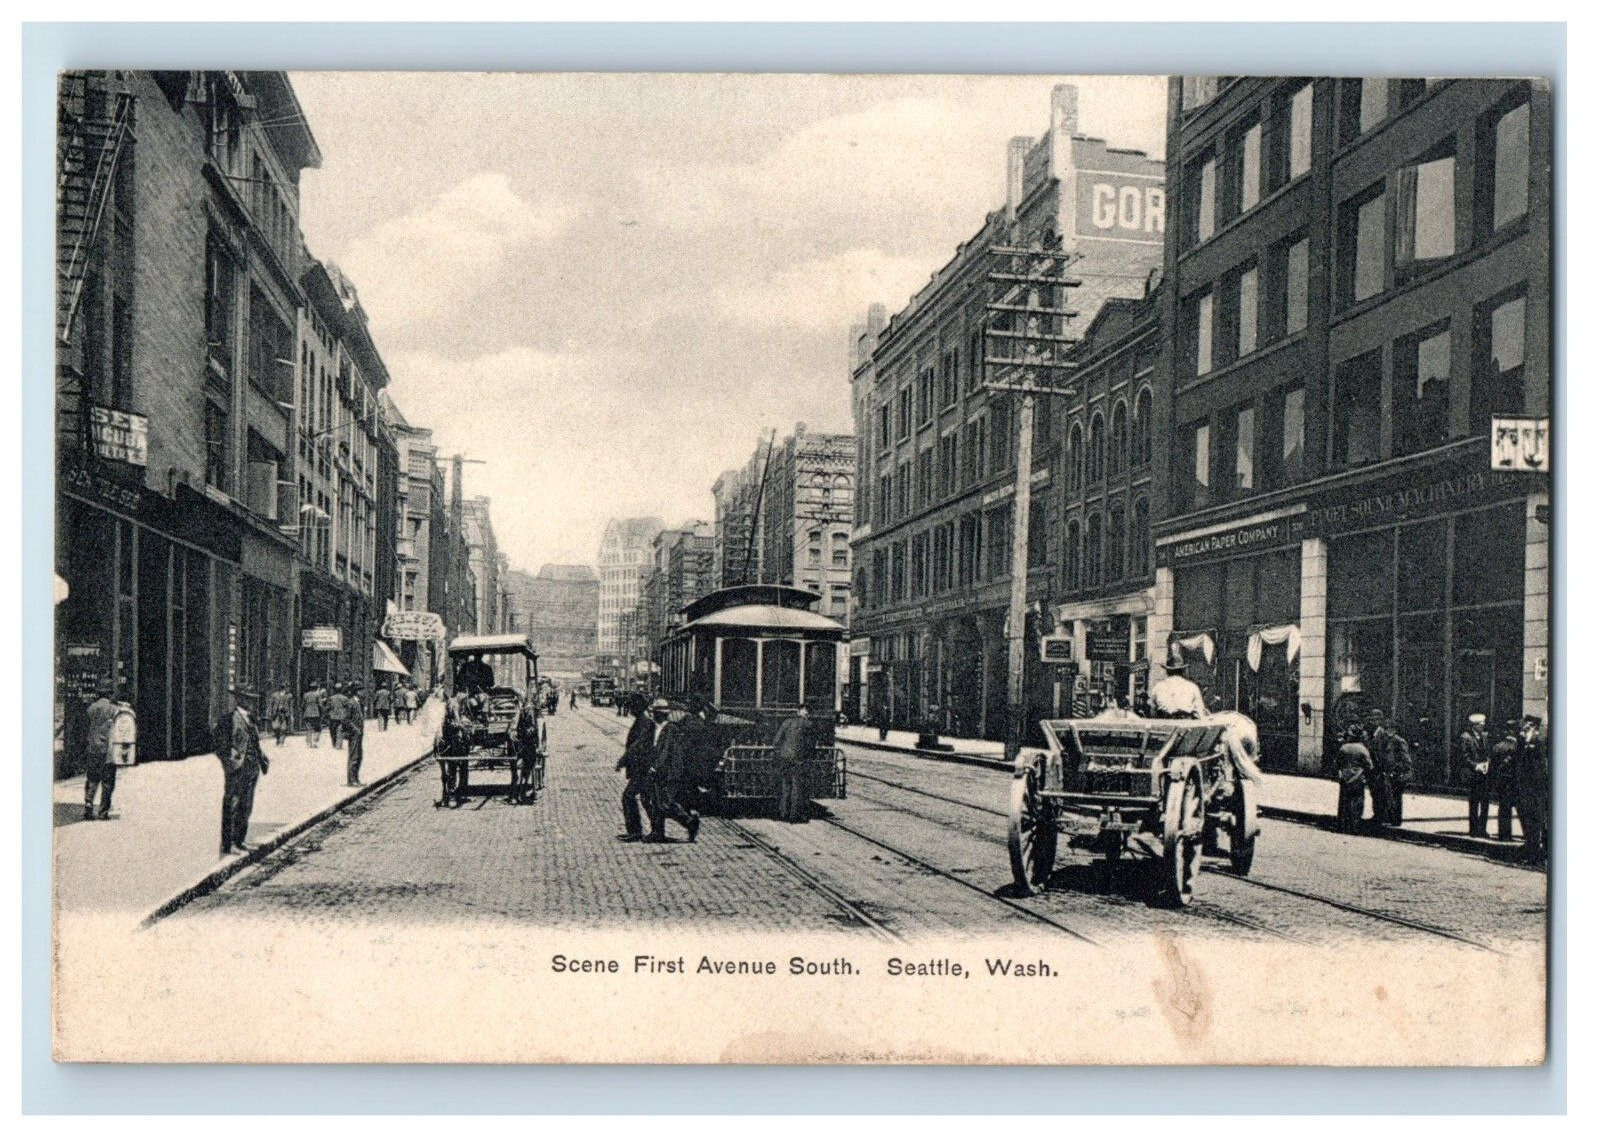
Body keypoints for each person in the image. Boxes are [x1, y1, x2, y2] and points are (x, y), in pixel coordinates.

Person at [216, 686, 268, 856]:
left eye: (253, 699)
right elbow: (220, 745)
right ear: (240, 700)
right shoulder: (228, 719)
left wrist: (262, 758)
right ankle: (228, 844)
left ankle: (240, 839)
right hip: (237, 768)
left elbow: (254, 743)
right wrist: (230, 762)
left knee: (246, 805)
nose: (252, 702)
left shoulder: (251, 720)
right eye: (248, 699)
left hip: (252, 768)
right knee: (233, 804)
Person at [645, 699, 700, 843]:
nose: (653, 715)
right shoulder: (661, 728)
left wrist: (654, 767)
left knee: (665, 803)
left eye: (654, 713)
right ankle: (657, 832)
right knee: (656, 801)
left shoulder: (669, 729)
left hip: (668, 771)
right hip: (662, 770)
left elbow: (665, 751)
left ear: (659, 714)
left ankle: (689, 822)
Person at [616, 697, 659, 841]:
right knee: (647, 799)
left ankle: (636, 832)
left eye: (632, 705)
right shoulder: (642, 721)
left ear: (639, 707)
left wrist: (623, 759)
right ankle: (687, 822)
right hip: (640, 767)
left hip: (642, 767)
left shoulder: (645, 722)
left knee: (629, 797)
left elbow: (637, 745)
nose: (630, 709)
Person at [81, 678, 123, 821]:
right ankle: (103, 812)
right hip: (108, 750)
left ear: (98, 693)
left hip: (93, 748)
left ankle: (88, 807)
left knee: (92, 779)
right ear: (110, 694)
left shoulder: (91, 708)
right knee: (107, 781)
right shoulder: (113, 709)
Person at [1512, 716, 1548, 864]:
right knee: (1527, 820)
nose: (1523, 727)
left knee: (1537, 820)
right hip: (1524, 788)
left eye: (1526, 725)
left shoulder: (1540, 741)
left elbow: (1540, 766)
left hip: (1536, 788)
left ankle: (1538, 853)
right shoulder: (1522, 741)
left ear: (1533, 726)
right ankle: (1531, 849)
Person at [1367, 709, 1412, 827]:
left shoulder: (1391, 738)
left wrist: (1396, 770)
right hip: (1377, 771)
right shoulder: (1371, 735)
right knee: (1378, 794)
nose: (1372, 722)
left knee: (1393, 797)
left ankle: (1393, 820)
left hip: (1391, 773)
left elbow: (1405, 760)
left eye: (1375, 720)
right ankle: (1379, 816)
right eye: (1370, 720)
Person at [772, 706, 811, 823]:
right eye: (807, 713)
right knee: (797, 787)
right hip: (799, 759)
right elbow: (811, 744)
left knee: (785, 785)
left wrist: (780, 752)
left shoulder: (787, 722)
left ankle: (783, 812)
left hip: (785, 758)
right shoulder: (808, 724)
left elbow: (776, 741)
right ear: (804, 714)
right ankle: (794, 816)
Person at [1459, 712, 1494, 837]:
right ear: (1474, 725)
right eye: (1481, 724)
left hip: (1484, 773)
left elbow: (1489, 752)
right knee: (1474, 802)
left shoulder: (1484, 736)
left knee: (1485, 803)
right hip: (1473, 774)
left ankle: (1482, 829)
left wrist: (1487, 763)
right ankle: (1473, 830)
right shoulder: (1466, 737)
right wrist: (1475, 765)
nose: (1483, 726)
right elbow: (1464, 756)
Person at [1335, 724, 1375, 834]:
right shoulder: (1363, 749)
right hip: (1357, 779)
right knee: (1357, 804)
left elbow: (1337, 763)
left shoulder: (1343, 748)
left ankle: (1342, 826)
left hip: (1345, 778)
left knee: (1344, 803)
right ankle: (1354, 827)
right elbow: (1369, 766)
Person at [1490, 720, 1522, 841]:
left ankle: (1503, 834)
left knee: (1504, 808)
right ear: (1515, 731)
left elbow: (1492, 766)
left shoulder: (1497, 747)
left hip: (1501, 783)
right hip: (1515, 782)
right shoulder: (1518, 747)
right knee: (1521, 810)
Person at [345, 686, 366, 786]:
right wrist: (355, 729)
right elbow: (346, 719)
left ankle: (356, 779)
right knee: (353, 756)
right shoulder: (351, 703)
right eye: (362, 691)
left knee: (359, 756)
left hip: (359, 733)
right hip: (354, 733)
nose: (363, 693)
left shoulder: (358, 702)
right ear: (357, 692)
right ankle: (351, 780)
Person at [326, 683, 350, 748]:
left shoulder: (331, 698)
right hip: (342, 716)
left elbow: (327, 707)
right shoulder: (345, 698)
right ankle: (338, 744)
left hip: (332, 716)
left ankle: (334, 743)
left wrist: (327, 715)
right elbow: (348, 708)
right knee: (340, 730)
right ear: (341, 689)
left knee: (332, 730)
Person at [302, 682, 326, 747]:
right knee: (318, 728)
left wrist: (304, 712)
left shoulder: (305, 695)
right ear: (316, 688)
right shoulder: (317, 695)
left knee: (308, 728)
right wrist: (322, 712)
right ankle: (315, 741)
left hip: (307, 713)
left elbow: (303, 705)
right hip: (316, 714)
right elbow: (320, 705)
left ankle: (308, 743)